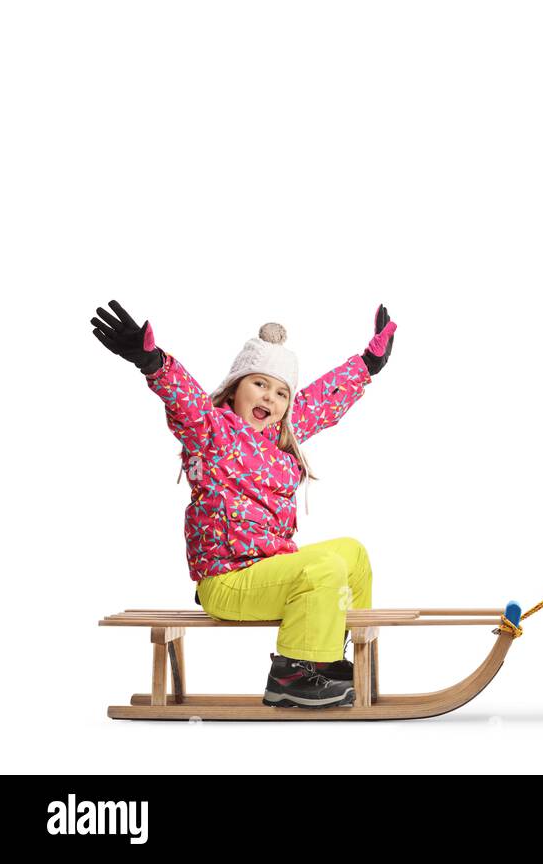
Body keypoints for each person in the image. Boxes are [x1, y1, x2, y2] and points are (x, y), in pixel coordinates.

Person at [91, 300, 397, 709]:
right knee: (323, 568)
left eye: (281, 392)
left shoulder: (281, 435)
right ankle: (294, 673)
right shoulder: (211, 429)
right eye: (259, 384)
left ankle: (331, 660)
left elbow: (325, 398)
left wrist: (368, 364)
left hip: (269, 569)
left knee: (352, 554)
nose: (269, 397)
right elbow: (185, 400)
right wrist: (152, 361)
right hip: (228, 581)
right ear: (235, 388)